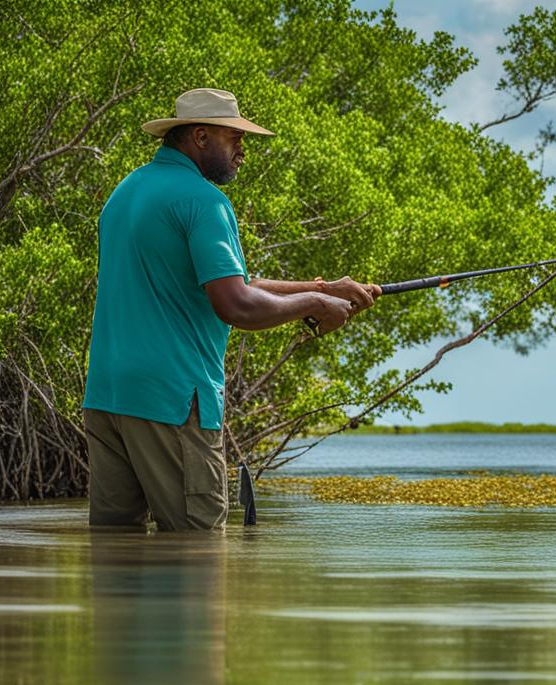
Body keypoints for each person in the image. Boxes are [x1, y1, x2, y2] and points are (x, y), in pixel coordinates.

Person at [82, 87, 380, 531]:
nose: (243, 150)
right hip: (173, 400)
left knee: (114, 553)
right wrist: (316, 305)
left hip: (108, 397)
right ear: (200, 136)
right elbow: (236, 304)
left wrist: (325, 287)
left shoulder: (125, 193)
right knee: (197, 548)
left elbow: (233, 283)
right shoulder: (204, 201)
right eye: (234, 138)